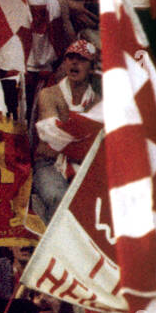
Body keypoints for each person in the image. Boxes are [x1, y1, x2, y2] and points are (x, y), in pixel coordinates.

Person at [32, 39, 99, 218]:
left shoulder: (99, 102)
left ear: (92, 68)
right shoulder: (49, 95)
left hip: (84, 165)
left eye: (82, 59)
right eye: (70, 58)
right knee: (59, 197)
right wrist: (81, 143)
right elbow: (50, 141)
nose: (74, 62)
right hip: (48, 164)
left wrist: (69, 143)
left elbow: (95, 147)